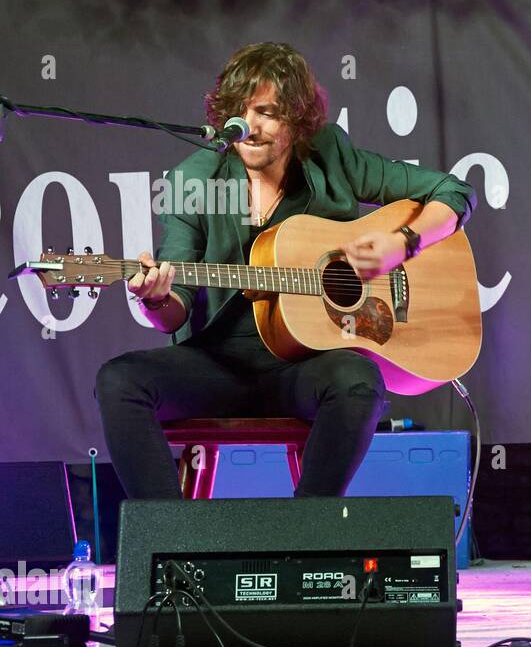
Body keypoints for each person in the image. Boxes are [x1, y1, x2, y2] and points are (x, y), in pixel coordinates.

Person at [95, 42, 476, 499]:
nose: (248, 128)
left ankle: (307, 531)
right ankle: (171, 539)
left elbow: (453, 192)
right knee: (119, 380)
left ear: (296, 120)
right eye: (239, 112)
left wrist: (402, 243)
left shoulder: (330, 156)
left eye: (267, 113)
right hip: (215, 367)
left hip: (303, 368)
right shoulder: (195, 178)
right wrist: (155, 297)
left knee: (358, 382)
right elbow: (173, 313)